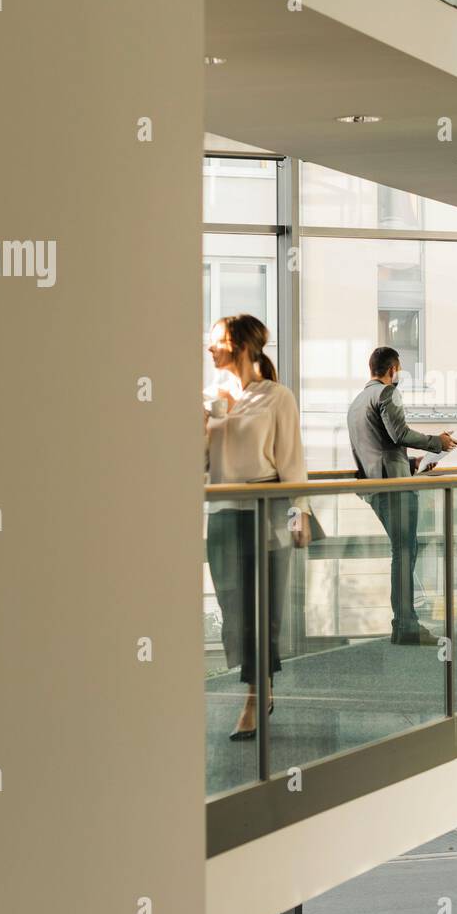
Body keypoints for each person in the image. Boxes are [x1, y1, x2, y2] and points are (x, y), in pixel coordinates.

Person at [204, 314, 309, 740]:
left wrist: (297, 513)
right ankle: (257, 683)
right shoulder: (211, 397)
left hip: (266, 509)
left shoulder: (276, 397)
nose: (210, 349)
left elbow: (293, 461)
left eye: (217, 342)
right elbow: (199, 465)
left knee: (263, 610)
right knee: (233, 612)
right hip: (222, 513)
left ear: (241, 345)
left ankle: (256, 694)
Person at [347, 346, 457, 645]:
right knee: (405, 551)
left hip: (375, 486)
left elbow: (379, 444)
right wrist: (439, 441)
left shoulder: (357, 402)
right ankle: (406, 625)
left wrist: (409, 463)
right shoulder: (387, 394)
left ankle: (403, 623)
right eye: (398, 371)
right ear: (393, 370)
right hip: (394, 487)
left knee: (405, 549)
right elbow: (399, 433)